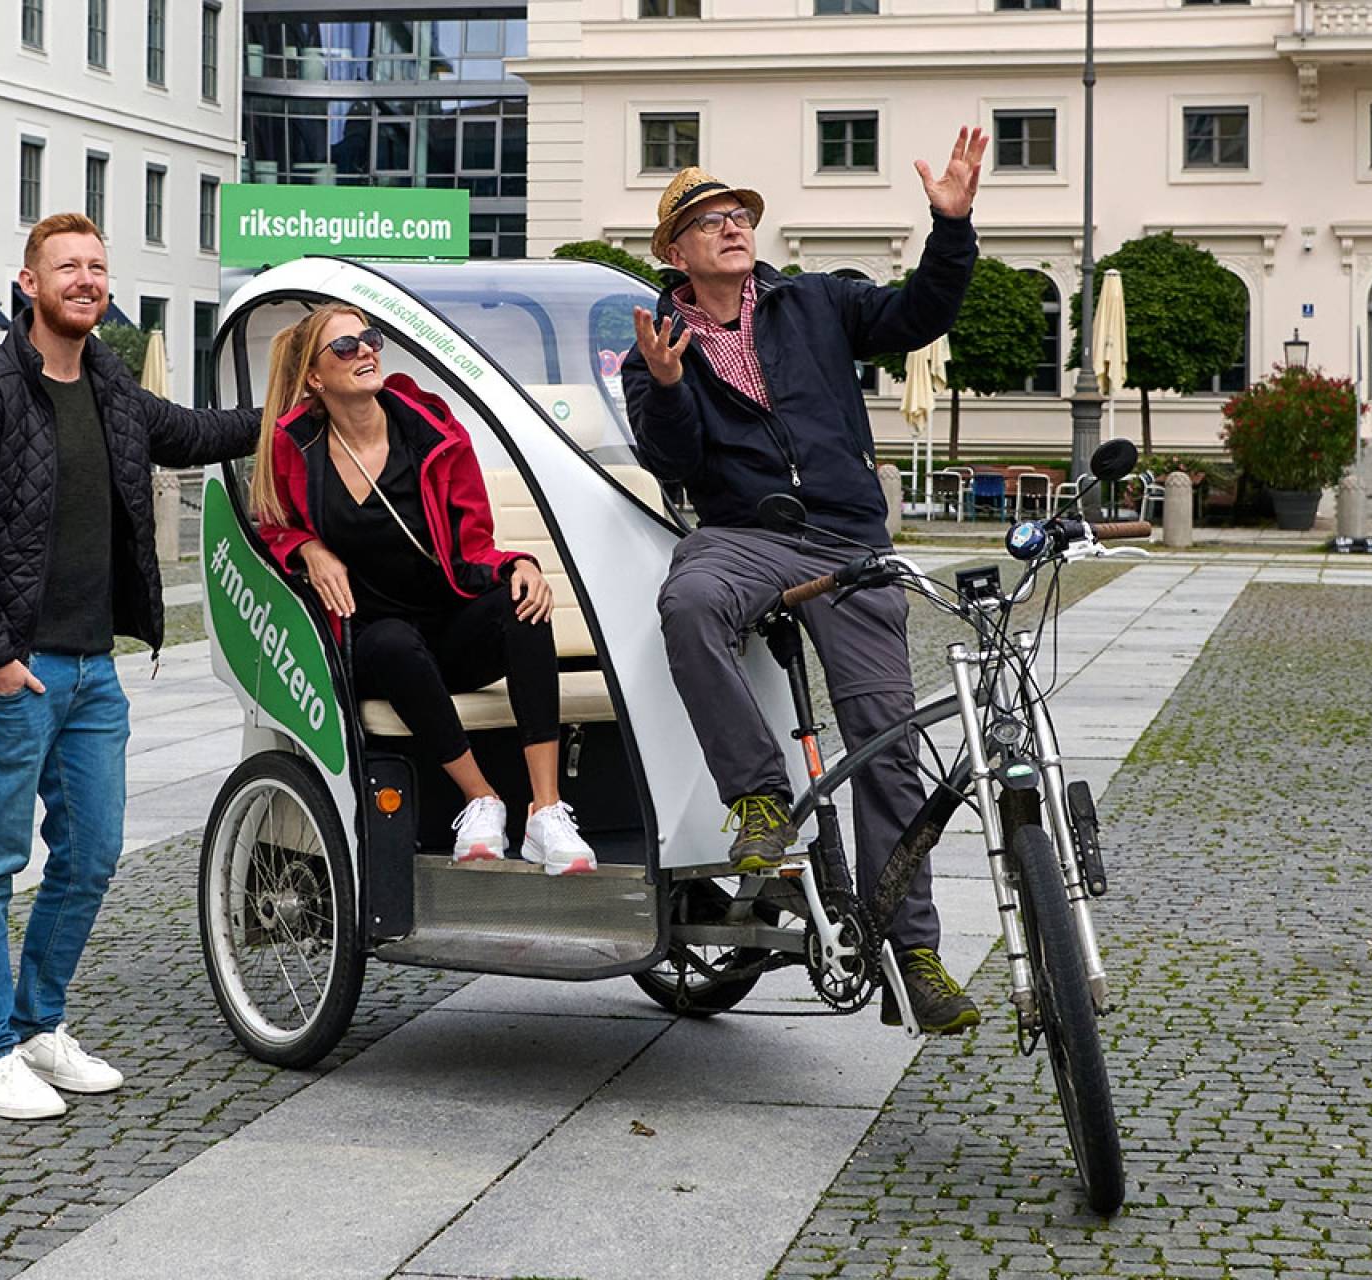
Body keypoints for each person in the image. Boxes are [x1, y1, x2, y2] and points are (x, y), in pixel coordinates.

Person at [621, 133, 988, 1034]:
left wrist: (951, 225)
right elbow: (673, 461)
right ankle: (759, 798)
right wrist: (668, 386)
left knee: (886, 739)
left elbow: (919, 316)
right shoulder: (655, 349)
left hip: (847, 539)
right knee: (689, 601)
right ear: (675, 253)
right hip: (742, 535)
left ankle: (913, 952)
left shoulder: (816, 302)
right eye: (709, 222)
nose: (733, 227)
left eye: (739, 215)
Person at [0, 212, 260, 1119]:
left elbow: (199, 432)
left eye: (98, 266)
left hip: (94, 672)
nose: (86, 278)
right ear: (27, 284)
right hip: (9, 675)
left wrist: (308, 397)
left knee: (94, 852)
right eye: (66, 265)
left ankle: (39, 1027)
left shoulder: (111, 388)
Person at [250, 304, 597, 877]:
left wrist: (519, 565)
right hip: (372, 638)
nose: (365, 350)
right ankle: (481, 799)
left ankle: (546, 811)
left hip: (449, 627)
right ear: (314, 377)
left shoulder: (432, 433)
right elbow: (272, 525)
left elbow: (474, 540)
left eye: (370, 338)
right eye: (344, 347)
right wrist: (308, 549)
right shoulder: (297, 445)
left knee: (524, 604)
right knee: (392, 643)